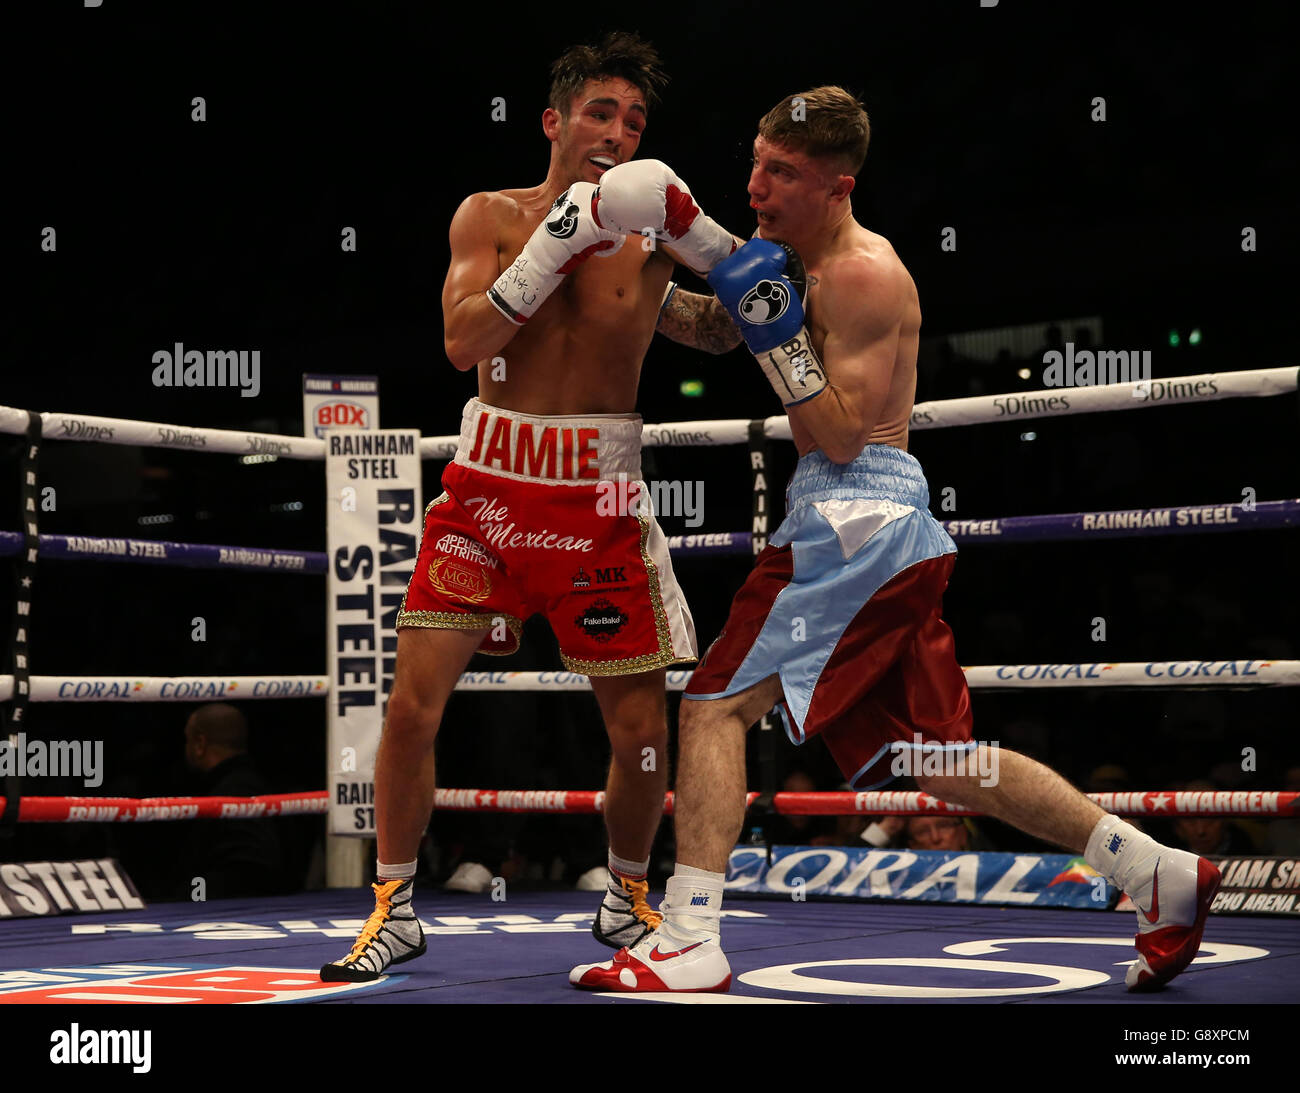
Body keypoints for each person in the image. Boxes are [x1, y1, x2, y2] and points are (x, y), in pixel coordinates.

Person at [571, 86, 1220, 994]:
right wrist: (622, 268)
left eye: (783, 174)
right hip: (862, 527)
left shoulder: (867, 273)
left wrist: (775, 326)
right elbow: (723, 326)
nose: (756, 187)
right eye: (755, 163)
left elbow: (838, 432)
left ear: (838, 185)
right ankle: (1153, 867)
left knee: (714, 705)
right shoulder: (794, 258)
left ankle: (689, 935)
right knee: (934, 763)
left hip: (854, 519)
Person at [321, 32, 742, 982]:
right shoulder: (492, 216)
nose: (619, 131)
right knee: (409, 710)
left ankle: (627, 896)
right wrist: (561, 238)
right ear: (553, 121)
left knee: (639, 728)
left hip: (597, 495)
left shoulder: (651, 233)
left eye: (635, 120)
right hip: (488, 491)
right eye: (601, 111)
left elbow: (715, 333)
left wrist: (760, 274)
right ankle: (392, 908)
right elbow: (464, 342)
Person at [180, 703, 282, 899]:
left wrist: (188, 899)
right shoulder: (254, 782)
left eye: (187, 740)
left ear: (200, 743)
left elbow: (249, 872)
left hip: (236, 910)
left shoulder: (233, 790)